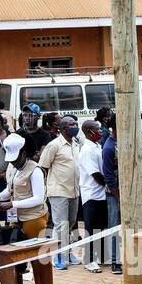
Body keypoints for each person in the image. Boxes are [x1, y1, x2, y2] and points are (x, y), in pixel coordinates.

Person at [38, 116, 81, 269]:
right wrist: (45, 188)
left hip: (74, 190)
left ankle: (68, 252)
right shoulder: (54, 145)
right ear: (63, 129)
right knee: (60, 225)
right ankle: (58, 256)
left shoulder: (76, 143)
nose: (75, 126)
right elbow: (43, 166)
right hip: (58, 191)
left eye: (75, 123)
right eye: (71, 124)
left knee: (70, 223)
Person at [0, 133, 49, 239]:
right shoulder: (12, 167)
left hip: (33, 217)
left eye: (15, 159)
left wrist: (12, 204)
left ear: (23, 153)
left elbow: (38, 199)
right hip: (15, 217)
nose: (13, 162)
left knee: (33, 250)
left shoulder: (35, 170)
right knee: (15, 246)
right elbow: (10, 189)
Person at [76, 119, 108, 272]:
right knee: (90, 228)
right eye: (98, 129)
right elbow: (95, 174)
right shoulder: (87, 150)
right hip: (91, 194)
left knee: (101, 227)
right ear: (90, 132)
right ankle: (89, 260)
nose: (101, 132)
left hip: (100, 194)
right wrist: (107, 185)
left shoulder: (97, 146)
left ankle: (101, 256)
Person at [101, 119, 121, 275]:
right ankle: (115, 261)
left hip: (123, 192)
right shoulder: (108, 147)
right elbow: (108, 175)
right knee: (114, 226)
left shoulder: (120, 143)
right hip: (114, 194)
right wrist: (118, 195)